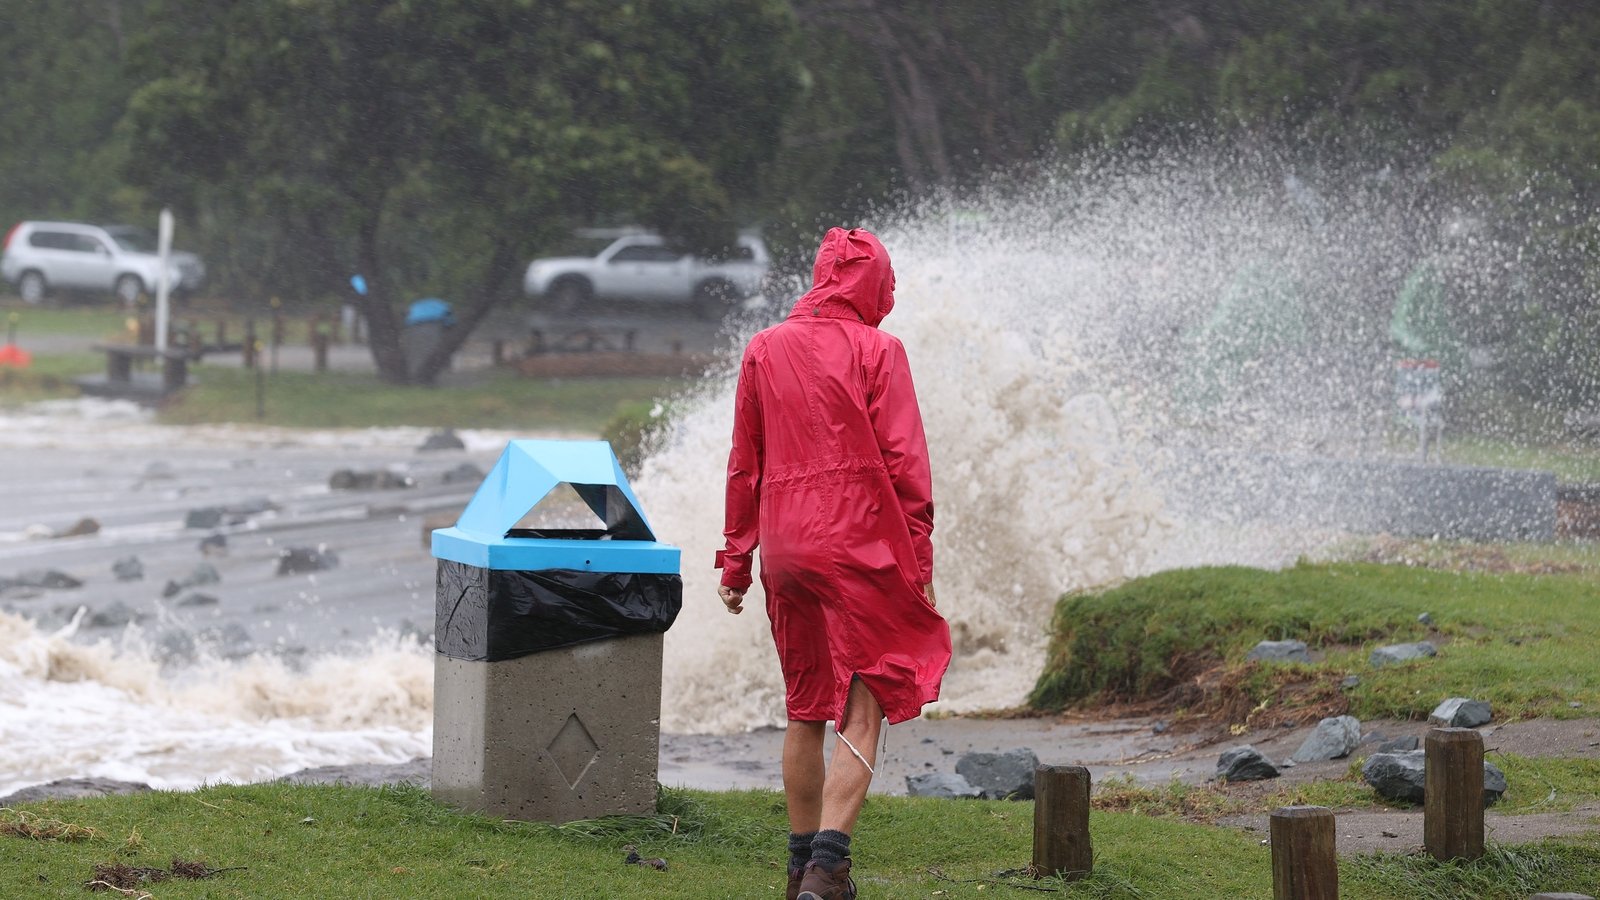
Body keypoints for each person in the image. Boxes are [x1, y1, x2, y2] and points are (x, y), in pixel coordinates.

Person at [717, 227, 952, 900]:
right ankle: (829, 866)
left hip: (787, 546)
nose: (893, 293)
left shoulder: (764, 348)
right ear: (870, 284)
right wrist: (920, 557)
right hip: (861, 541)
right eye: (888, 281)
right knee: (866, 698)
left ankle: (796, 874)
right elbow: (907, 465)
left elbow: (744, 465)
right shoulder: (881, 350)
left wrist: (736, 562)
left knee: (804, 707)